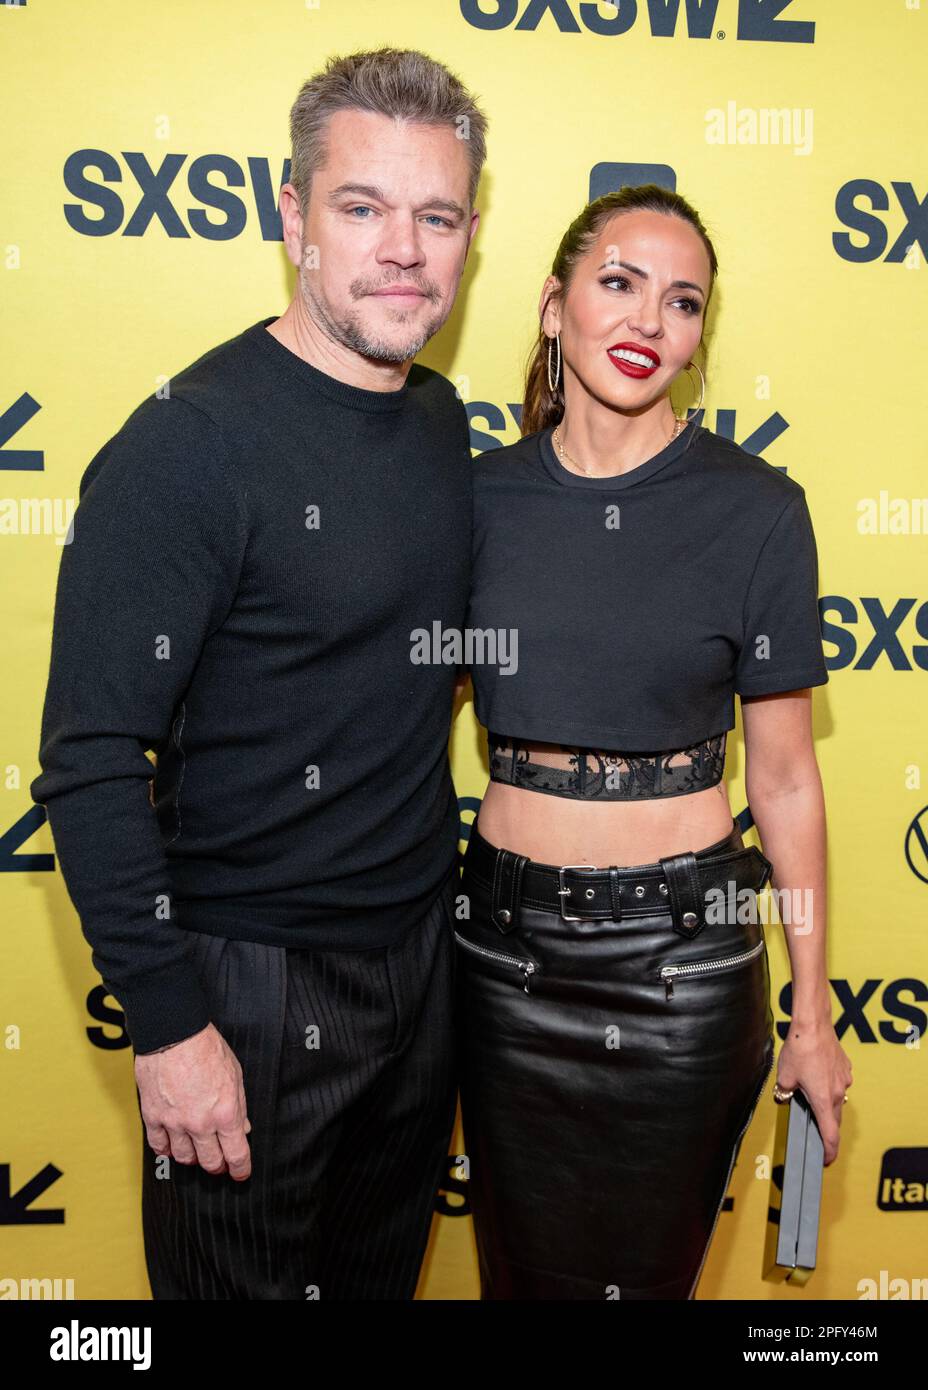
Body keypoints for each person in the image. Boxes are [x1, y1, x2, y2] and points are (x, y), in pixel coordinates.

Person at [30, 47, 486, 1300]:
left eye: (435, 215)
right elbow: (87, 760)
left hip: (418, 960)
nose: (403, 249)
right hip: (248, 986)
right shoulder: (190, 444)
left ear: (468, 236)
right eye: (361, 208)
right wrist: (173, 1031)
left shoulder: (445, 424)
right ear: (292, 218)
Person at [454, 183, 853, 1300]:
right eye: (618, 284)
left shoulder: (757, 510)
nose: (646, 321)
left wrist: (810, 1016)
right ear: (551, 305)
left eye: (681, 303)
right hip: (499, 952)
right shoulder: (472, 499)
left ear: (697, 338)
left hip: (683, 962)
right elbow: (393, 715)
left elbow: (782, 779)